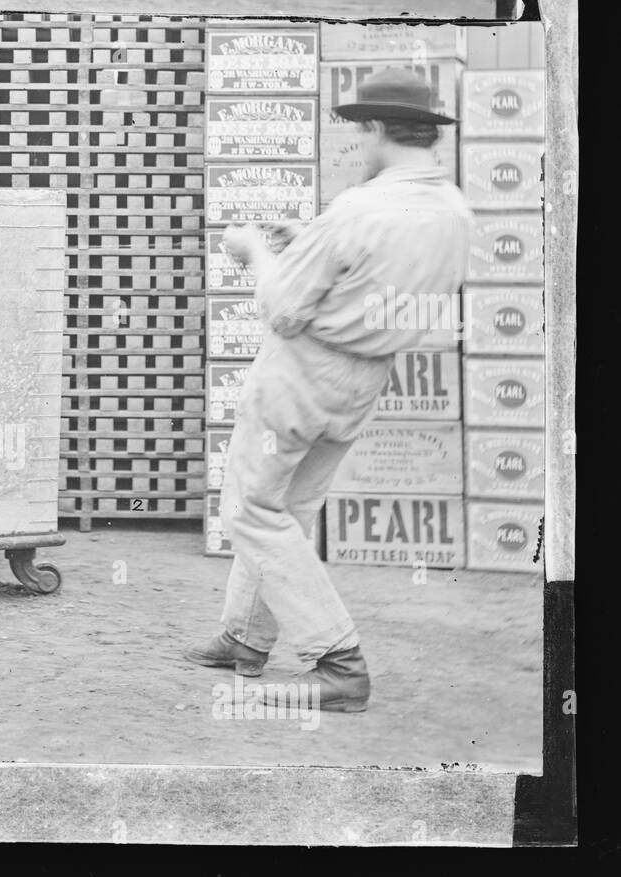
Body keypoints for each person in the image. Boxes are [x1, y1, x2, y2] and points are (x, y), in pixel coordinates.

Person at [185, 68, 475, 712]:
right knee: (290, 508)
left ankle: (338, 661)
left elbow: (284, 308)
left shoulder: (359, 207)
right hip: (366, 377)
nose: (358, 144)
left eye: (359, 132)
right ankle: (244, 639)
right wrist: (308, 243)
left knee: (250, 510)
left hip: (302, 372)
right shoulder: (454, 210)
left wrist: (255, 251)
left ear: (375, 129)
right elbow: (376, 279)